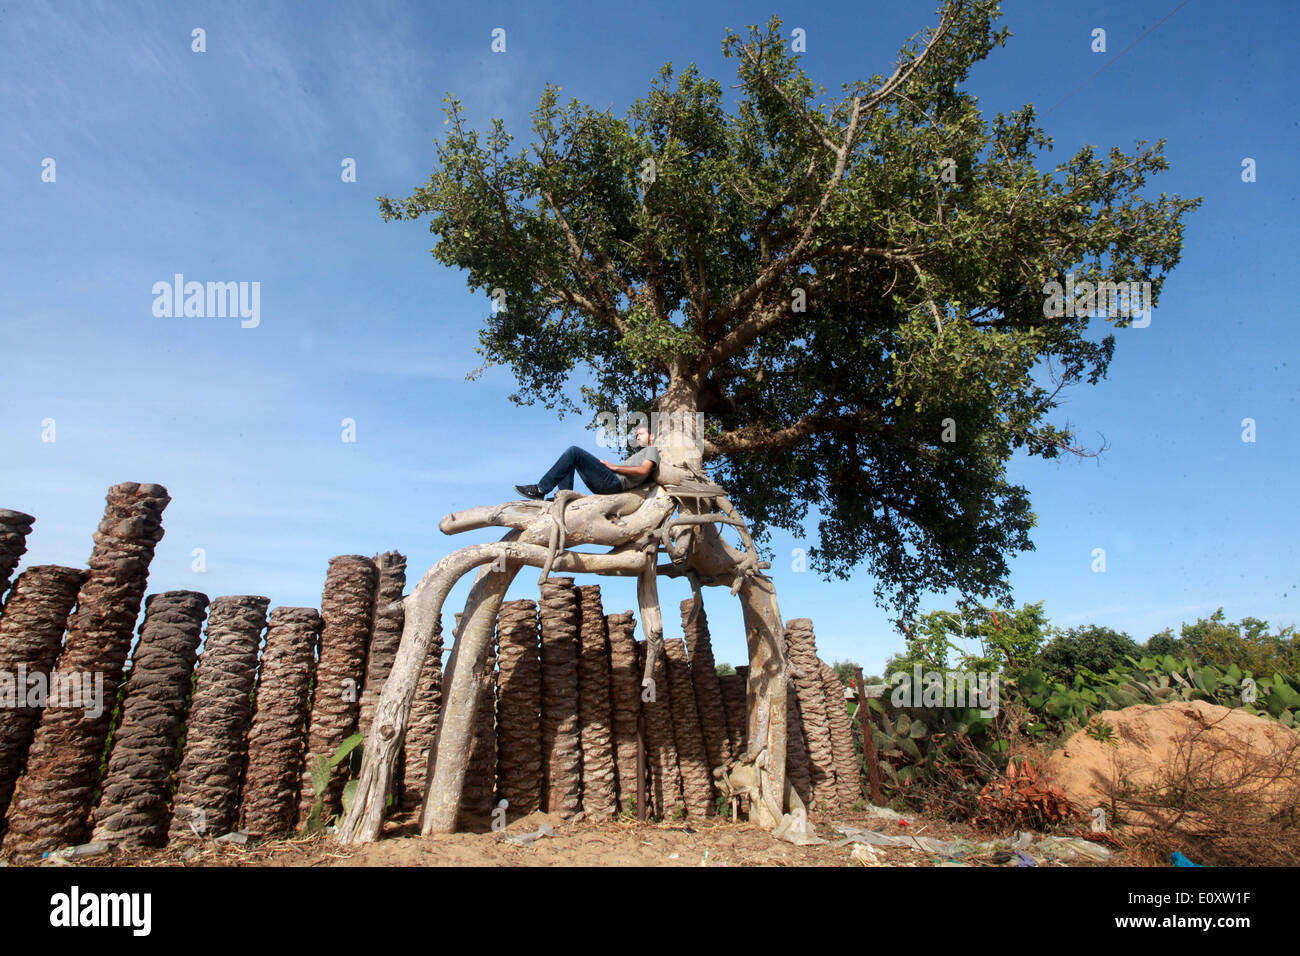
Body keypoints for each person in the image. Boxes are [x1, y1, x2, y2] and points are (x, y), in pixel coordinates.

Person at [515, 426, 659, 499]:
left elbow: (644, 470)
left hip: (613, 482)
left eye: (641, 434)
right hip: (609, 480)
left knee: (574, 452)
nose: (637, 436)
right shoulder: (641, 453)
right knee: (570, 460)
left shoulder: (652, 449)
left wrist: (614, 467)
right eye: (636, 434)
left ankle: (540, 489)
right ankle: (563, 495)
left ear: (651, 436)